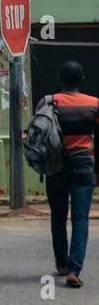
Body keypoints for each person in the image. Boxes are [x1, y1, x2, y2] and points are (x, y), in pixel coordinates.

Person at [42, 62, 95, 287]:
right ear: (82, 79)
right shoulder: (94, 104)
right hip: (84, 166)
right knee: (81, 218)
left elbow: (40, 135)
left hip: (55, 168)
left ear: (59, 79)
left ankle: (62, 263)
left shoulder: (49, 102)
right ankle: (74, 269)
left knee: (58, 216)